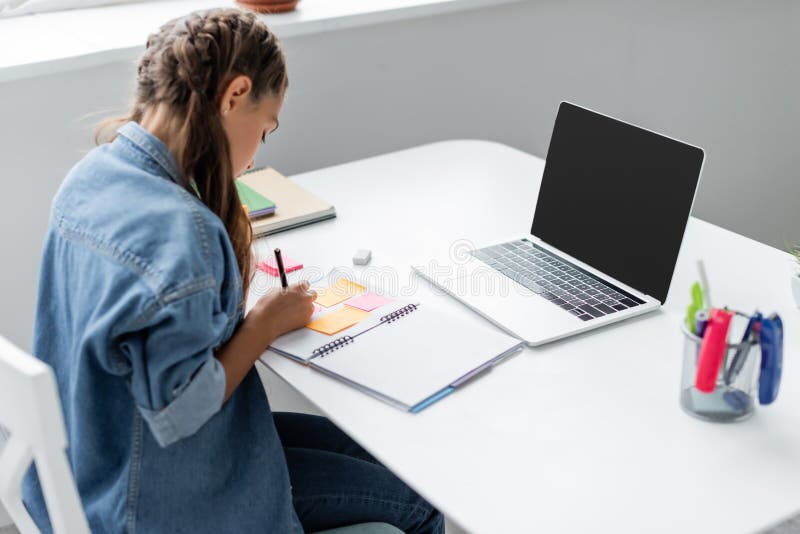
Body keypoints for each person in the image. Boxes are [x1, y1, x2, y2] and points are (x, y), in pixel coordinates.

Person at [23, 8, 444, 533]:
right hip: (159, 502)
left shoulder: (91, 177)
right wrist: (263, 324)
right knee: (423, 503)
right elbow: (180, 411)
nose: (253, 157)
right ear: (235, 94)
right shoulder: (185, 231)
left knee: (379, 457)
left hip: (92, 469)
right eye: (264, 130)